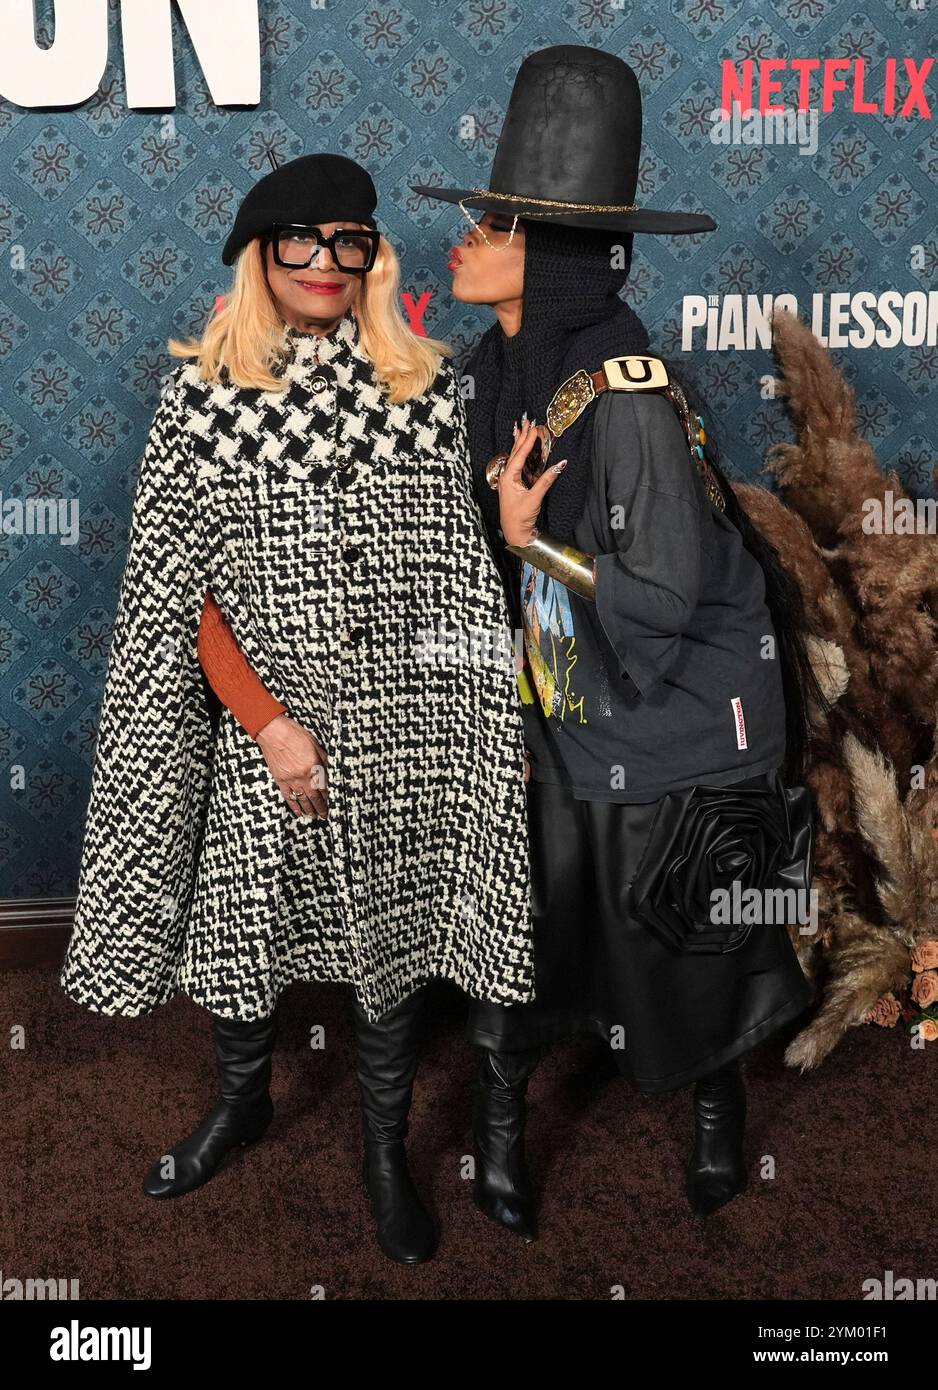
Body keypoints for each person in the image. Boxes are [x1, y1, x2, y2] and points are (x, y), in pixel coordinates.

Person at [59, 153, 535, 1266]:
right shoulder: (200, 397)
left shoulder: (422, 392)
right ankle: (243, 1101)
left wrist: (484, 723)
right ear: (259, 256)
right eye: (300, 242)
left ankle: (384, 1148)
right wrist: (269, 725)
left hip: (398, 729)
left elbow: (453, 577)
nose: (326, 263)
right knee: (239, 935)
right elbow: (185, 595)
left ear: (374, 258)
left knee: (387, 946)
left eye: (349, 242)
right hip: (257, 728)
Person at [409, 45, 826, 1234]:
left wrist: (528, 541)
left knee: (685, 926)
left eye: (489, 223)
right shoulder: (497, 367)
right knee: (532, 908)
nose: (465, 239)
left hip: (675, 707)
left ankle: (713, 1110)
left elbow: (658, 593)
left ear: (542, 255)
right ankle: (499, 1117)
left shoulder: (627, 393)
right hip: (565, 696)